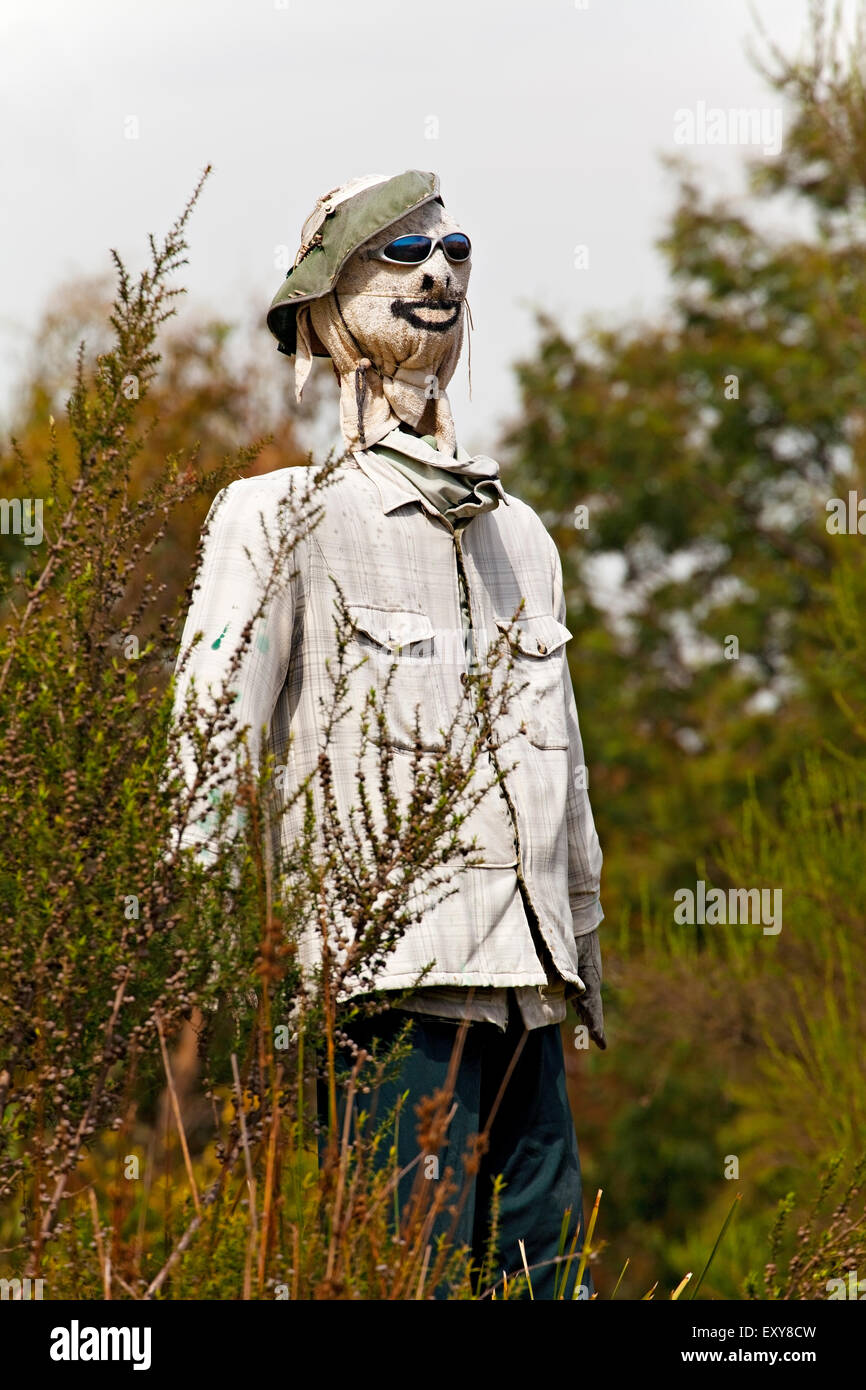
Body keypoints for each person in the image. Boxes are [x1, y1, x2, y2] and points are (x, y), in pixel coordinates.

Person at [174, 170, 606, 1298]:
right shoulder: (278, 514)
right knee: (397, 1277)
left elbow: (566, 770)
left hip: (528, 988)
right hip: (384, 993)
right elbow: (208, 735)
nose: (437, 274)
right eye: (401, 254)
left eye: (454, 251)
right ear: (327, 297)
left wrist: (584, 962)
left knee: (547, 1278)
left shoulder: (522, 537)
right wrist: (222, 968)